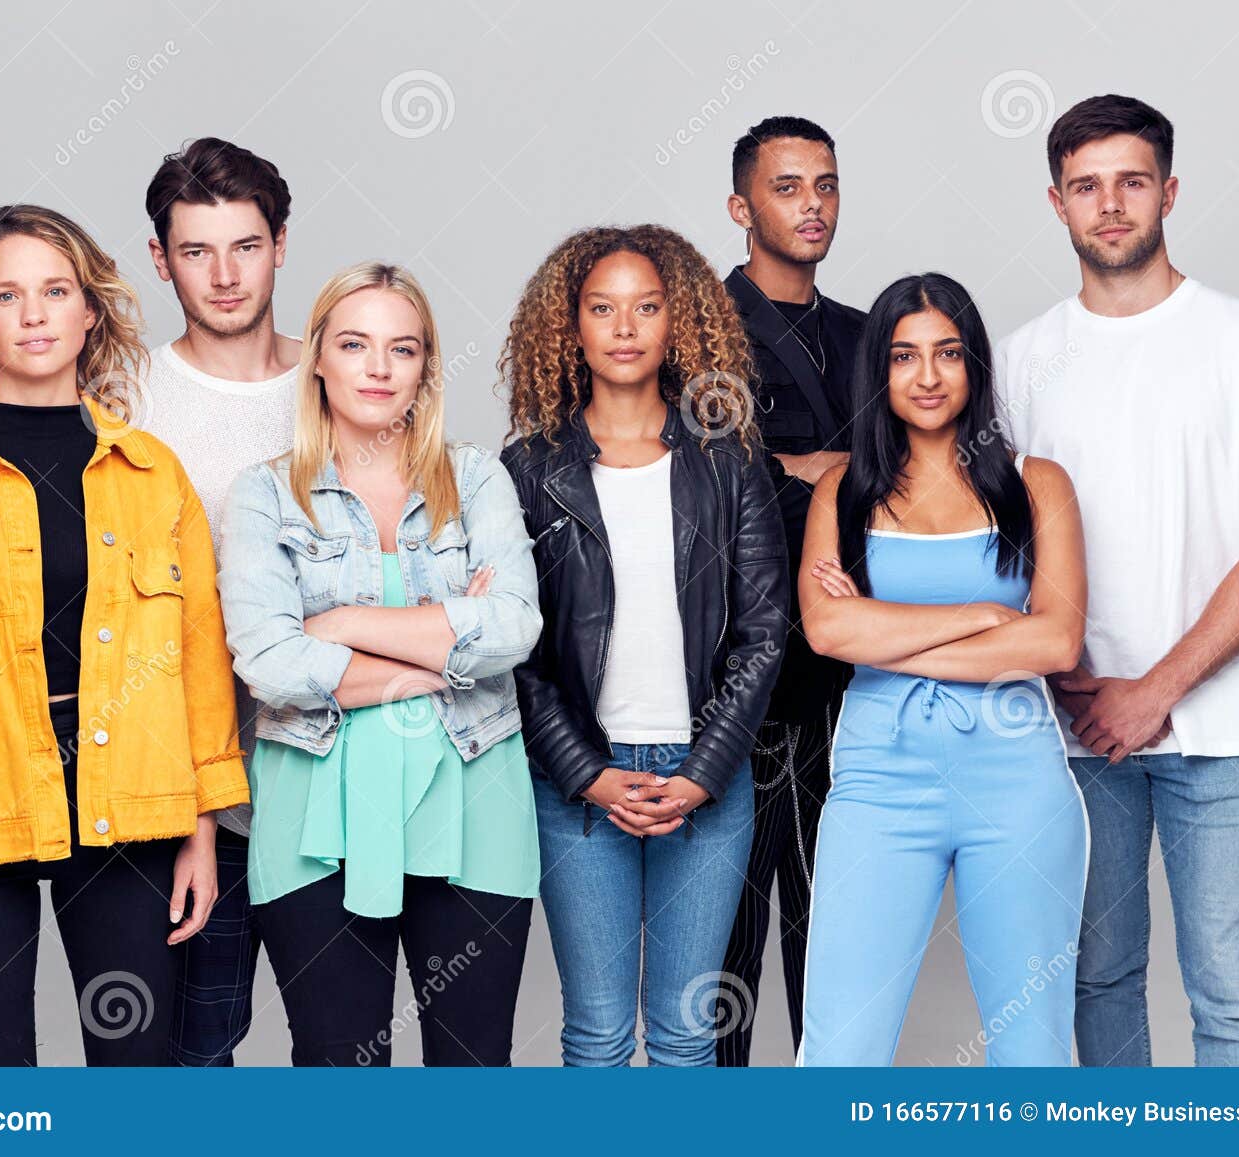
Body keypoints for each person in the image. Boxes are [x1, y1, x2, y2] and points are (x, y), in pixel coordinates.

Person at [0, 204, 246, 1065]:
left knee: (134, 1085)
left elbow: (200, 661)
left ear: (88, 311)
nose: (33, 314)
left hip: (132, 805)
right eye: (8, 294)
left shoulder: (151, 474)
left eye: (56, 291)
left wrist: (202, 828)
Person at [997, 94, 1239, 1066]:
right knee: (1095, 980)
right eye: (1086, 186)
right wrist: (1063, 671)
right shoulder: (1018, 363)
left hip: (1222, 731)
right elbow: (991, 541)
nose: (1110, 205)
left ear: (1169, 192)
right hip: (1071, 734)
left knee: (1227, 995)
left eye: (1131, 182)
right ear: (1056, 202)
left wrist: (1154, 690)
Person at [218, 261, 542, 1066]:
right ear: (317, 358)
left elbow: (513, 629)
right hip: (311, 815)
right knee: (340, 1077)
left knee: (473, 1077)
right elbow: (271, 660)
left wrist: (349, 622)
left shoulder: (478, 479)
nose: (378, 366)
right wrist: (443, 657)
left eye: (403, 348)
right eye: (355, 343)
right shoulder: (263, 495)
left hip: (478, 806)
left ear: (425, 367)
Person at [500, 224, 788, 1066]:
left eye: (646, 307)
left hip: (707, 776)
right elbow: (514, 650)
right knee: (594, 1035)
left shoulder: (729, 460)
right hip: (577, 782)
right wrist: (583, 771)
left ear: (678, 322)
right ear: (572, 325)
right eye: (602, 308)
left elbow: (765, 632)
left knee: (685, 1033)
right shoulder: (526, 469)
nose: (625, 327)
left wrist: (702, 772)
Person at [798, 272, 1089, 1067]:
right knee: (839, 1055)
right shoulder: (843, 490)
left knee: (1032, 1052)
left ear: (974, 366)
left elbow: (1057, 643)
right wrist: (981, 617)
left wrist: (885, 634)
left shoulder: (1037, 484)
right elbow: (826, 630)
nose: (927, 377)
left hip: (1017, 783)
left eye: (947, 353)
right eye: (904, 357)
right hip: (880, 783)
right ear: (879, 372)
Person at [140, 136, 301, 1066]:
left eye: (244, 245)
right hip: (185, 779)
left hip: (327, 761)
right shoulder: (123, 394)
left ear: (280, 241)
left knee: (344, 1040)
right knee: (196, 1044)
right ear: (161, 260)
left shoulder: (344, 372)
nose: (225, 274)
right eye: (196, 251)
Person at [719, 114, 867, 1064]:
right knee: (725, 951)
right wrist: (836, 471)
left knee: (836, 937)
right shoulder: (696, 332)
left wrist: (813, 466)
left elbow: (920, 479)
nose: (811, 206)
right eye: (787, 187)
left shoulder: (871, 333)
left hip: (855, 681)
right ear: (741, 205)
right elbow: (709, 485)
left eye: (825, 185)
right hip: (736, 680)